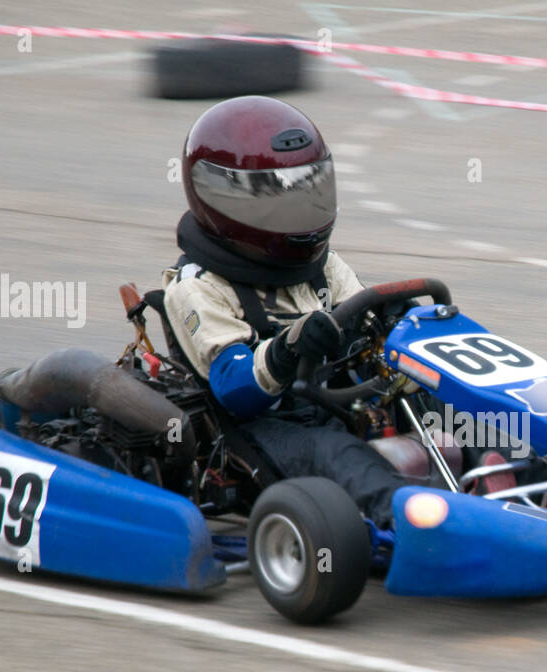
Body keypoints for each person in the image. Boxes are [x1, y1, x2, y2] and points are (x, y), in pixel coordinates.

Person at [161, 95, 409, 529]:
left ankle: (542, 480)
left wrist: (398, 322)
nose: (297, 212)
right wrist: (288, 348)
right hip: (265, 430)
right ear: (223, 197)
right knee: (340, 454)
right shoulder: (197, 286)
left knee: (437, 400)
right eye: (276, 199)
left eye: (307, 189)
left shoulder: (320, 264)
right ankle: (422, 526)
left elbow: (365, 316)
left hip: (332, 403)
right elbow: (233, 384)